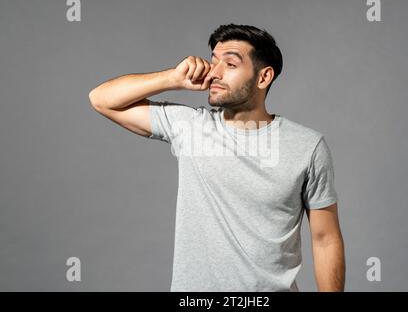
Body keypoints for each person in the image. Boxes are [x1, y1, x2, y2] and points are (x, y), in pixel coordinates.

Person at [89, 23, 345, 292]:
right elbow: (101, 99)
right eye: (214, 62)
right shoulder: (189, 126)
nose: (215, 73)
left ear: (263, 77)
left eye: (230, 64)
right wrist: (172, 79)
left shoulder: (308, 146)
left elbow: (325, 239)